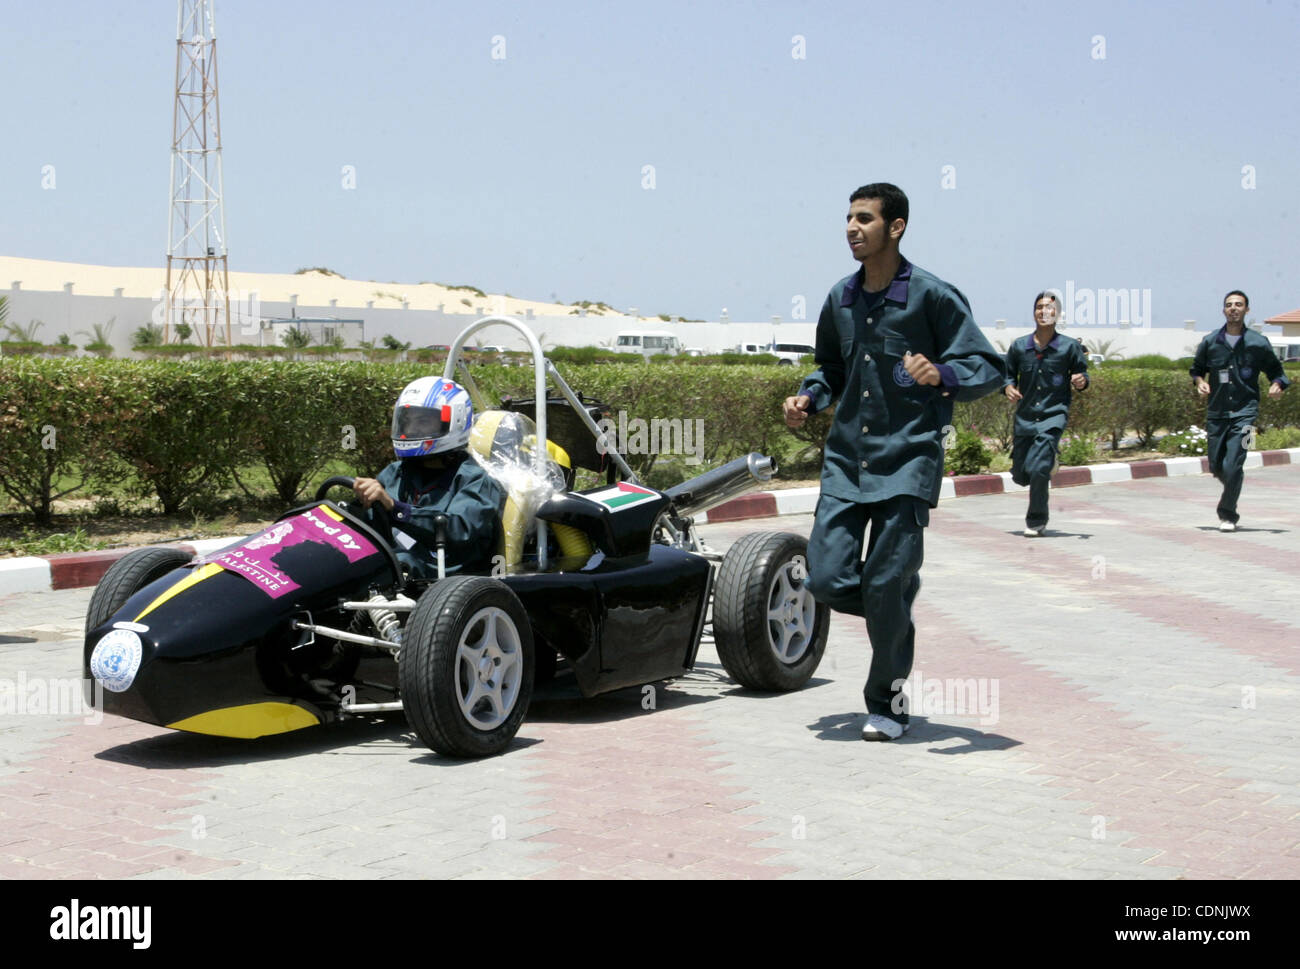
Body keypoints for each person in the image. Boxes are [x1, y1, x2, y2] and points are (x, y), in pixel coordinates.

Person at [783, 183, 1005, 741]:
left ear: (896, 226)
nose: (852, 228)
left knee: (884, 581)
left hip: (907, 459)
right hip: (846, 462)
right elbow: (830, 368)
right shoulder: (841, 298)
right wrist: (810, 397)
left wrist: (944, 374)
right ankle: (892, 605)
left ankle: (887, 702)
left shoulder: (932, 296)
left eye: (865, 219)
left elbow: (989, 365)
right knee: (828, 579)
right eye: (848, 219)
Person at [352, 377, 505, 577]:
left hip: (446, 581)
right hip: (396, 568)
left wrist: (396, 509)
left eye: (423, 421)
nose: (413, 429)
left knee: (393, 565)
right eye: (408, 421)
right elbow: (369, 522)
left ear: (455, 421)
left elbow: (458, 530)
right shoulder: (395, 472)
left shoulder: (476, 480)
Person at [1190, 290, 1290, 531]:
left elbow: (1278, 373)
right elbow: (1196, 369)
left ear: (1247, 310)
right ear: (1223, 310)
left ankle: (1227, 514)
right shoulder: (1211, 341)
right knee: (1216, 466)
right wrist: (1200, 382)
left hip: (1247, 413)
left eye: (1238, 304)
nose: (1233, 308)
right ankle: (1234, 483)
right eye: (1229, 305)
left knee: (1234, 464)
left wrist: (1277, 385)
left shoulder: (1258, 343)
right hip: (1217, 413)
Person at [1004, 292, 1089, 536]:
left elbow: (1083, 374)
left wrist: (1081, 380)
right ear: (1034, 313)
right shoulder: (1020, 346)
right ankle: (1047, 461)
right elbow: (1007, 375)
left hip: (1053, 415)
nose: (1044, 311)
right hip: (1025, 418)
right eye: (1039, 307)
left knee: (1040, 469)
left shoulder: (1069, 347)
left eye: (1049, 308)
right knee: (1022, 474)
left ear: (1057, 314)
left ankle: (1036, 521)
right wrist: (1008, 387)